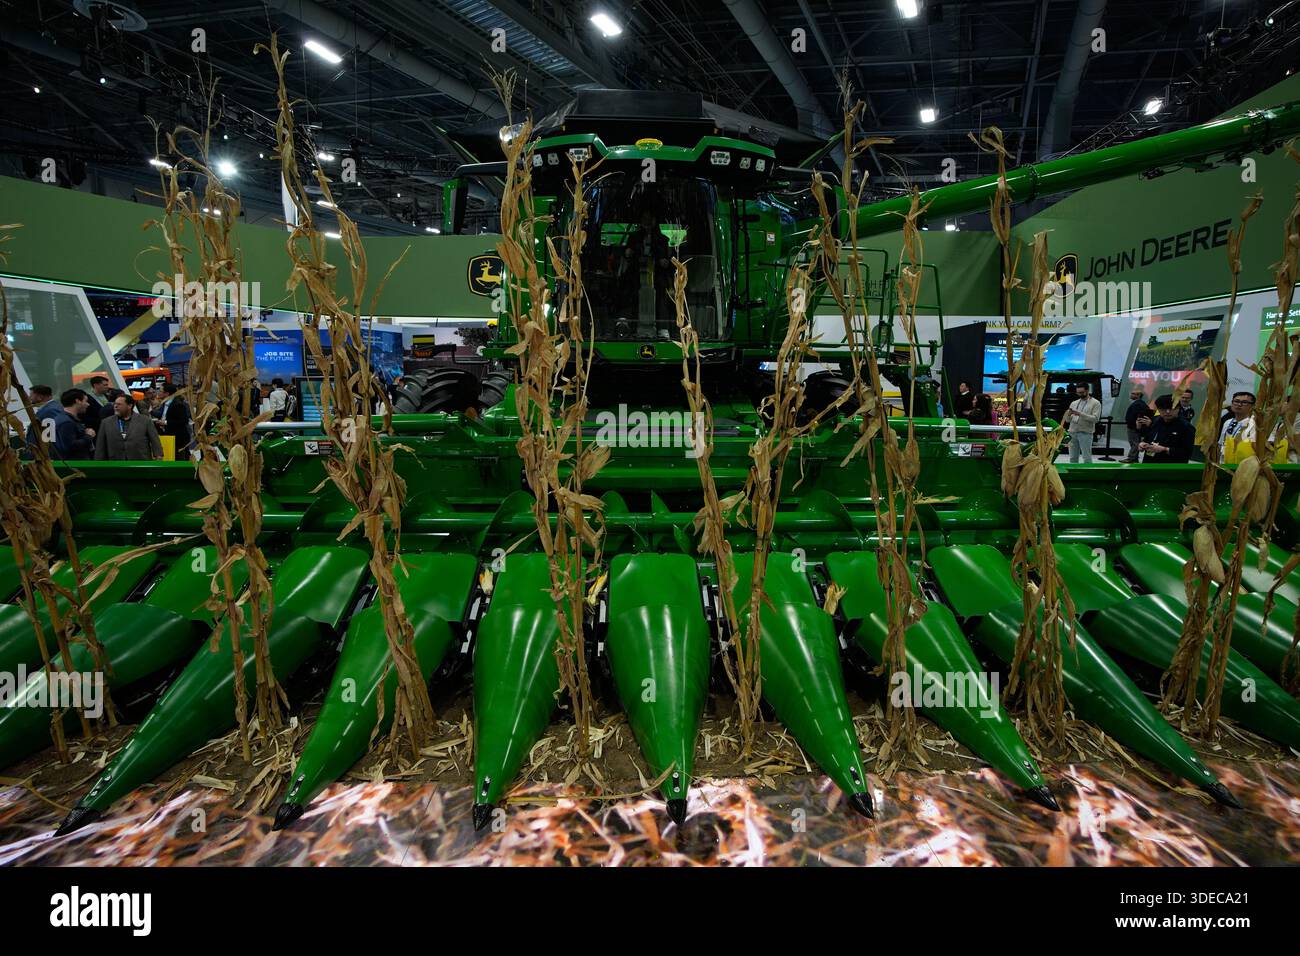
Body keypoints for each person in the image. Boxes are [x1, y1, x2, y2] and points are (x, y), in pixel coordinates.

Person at [27, 388, 95, 459]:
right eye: (86, 401)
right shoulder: (65, 421)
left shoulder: (63, 417)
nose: (88, 404)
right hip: (73, 464)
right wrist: (88, 436)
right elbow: (69, 447)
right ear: (77, 401)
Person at [94, 393, 163, 461]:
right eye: (115, 404)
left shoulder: (145, 420)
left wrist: (158, 455)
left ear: (129, 406)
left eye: (119, 404)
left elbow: (154, 440)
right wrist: (98, 462)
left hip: (140, 460)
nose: (115, 406)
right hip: (116, 462)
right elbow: (100, 445)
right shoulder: (106, 422)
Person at [1138, 393, 1194, 463]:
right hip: (1149, 463)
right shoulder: (1155, 421)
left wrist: (1165, 449)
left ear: (1178, 409)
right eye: (1163, 409)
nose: (1167, 412)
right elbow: (1147, 439)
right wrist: (1142, 444)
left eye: (1171, 408)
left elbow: (1187, 453)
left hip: (1170, 468)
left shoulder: (1186, 427)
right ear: (1158, 409)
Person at [1063, 382, 1102, 463]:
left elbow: (1095, 419)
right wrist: (1068, 415)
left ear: (1087, 391)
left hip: (1085, 433)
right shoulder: (1074, 403)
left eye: (1082, 392)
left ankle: (1088, 474)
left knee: (1086, 457)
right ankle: (1073, 473)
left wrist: (1080, 414)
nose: (1080, 394)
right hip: (1072, 432)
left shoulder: (1096, 403)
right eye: (1078, 392)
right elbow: (1067, 420)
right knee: (1072, 457)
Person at [155, 382, 192, 455]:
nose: (158, 393)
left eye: (160, 391)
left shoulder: (177, 404)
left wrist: (165, 422)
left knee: (180, 458)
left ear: (167, 393)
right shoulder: (165, 403)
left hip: (178, 437)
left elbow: (183, 421)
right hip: (169, 435)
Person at [1120, 387, 1150, 462]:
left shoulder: (1138, 404)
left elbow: (1139, 416)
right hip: (1134, 427)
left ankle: (1131, 458)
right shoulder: (1139, 403)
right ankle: (1134, 458)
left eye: (1133, 394)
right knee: (1135, 442)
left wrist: (1137, 426)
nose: (1131, 395)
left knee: (1134, 443)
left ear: (1138, 395)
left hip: (1133, 428)